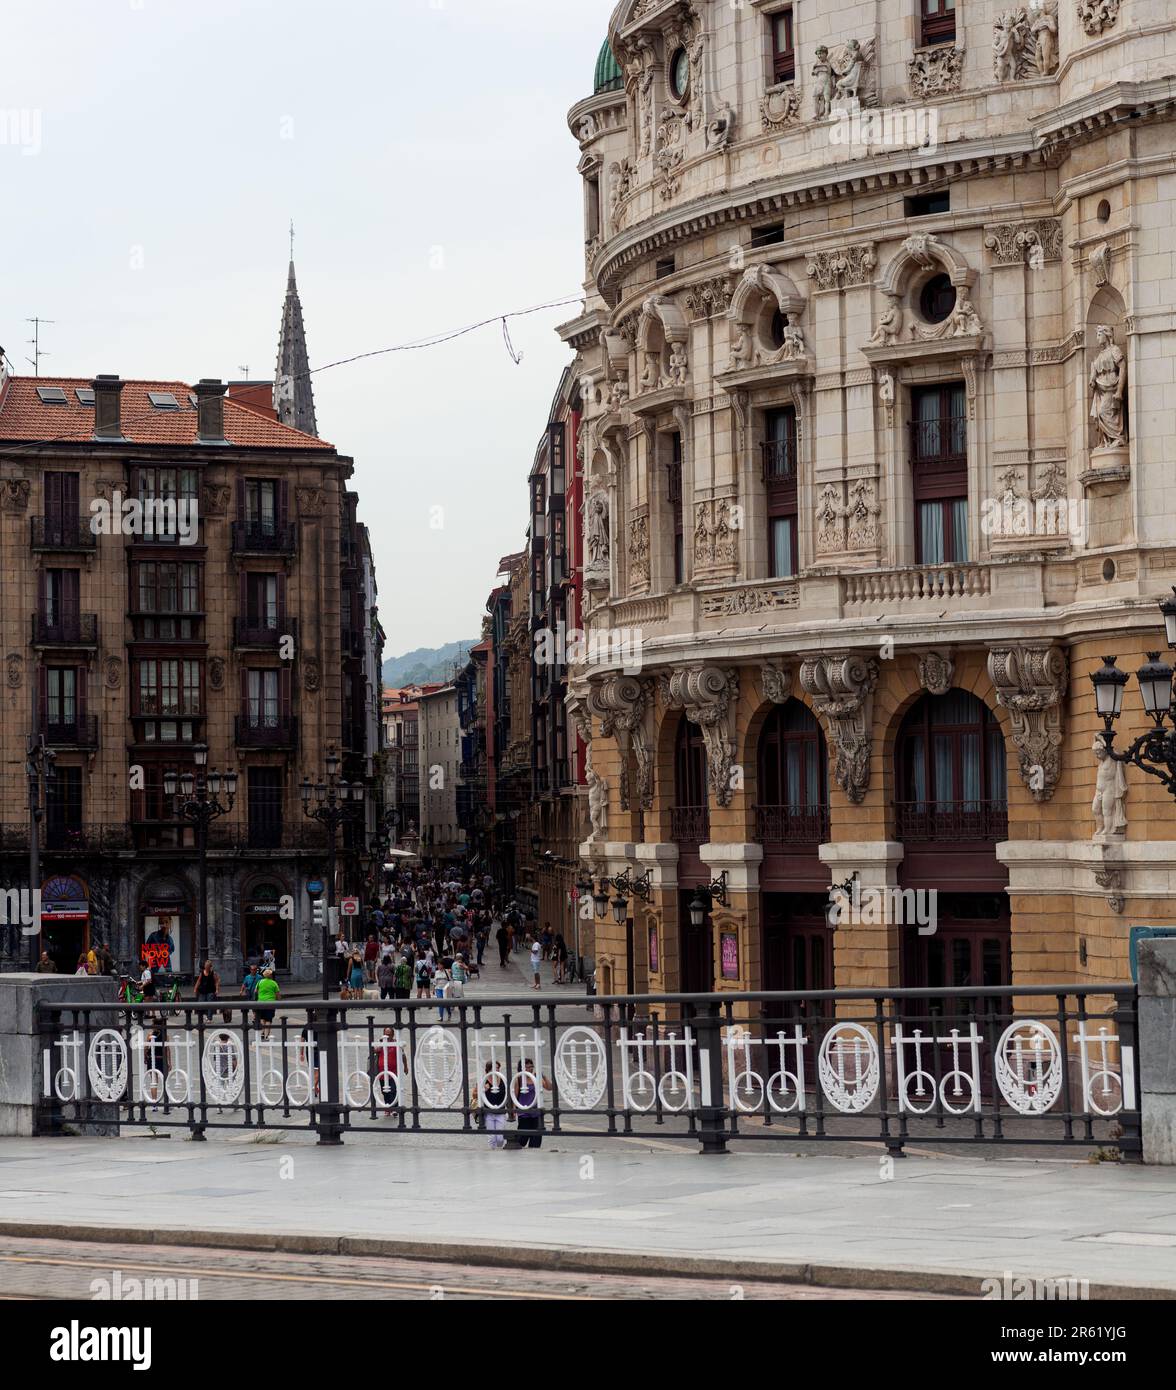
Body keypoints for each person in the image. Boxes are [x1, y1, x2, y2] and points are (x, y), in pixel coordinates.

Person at [513, 1058, 552, 1149]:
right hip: (524, 1113)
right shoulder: (518, 1079)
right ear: (522, 1068)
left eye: (531, 1066)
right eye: (527, 1067)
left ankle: (534, 1154)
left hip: (536, 1113)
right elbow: (514, 1096)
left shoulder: (536, 1078)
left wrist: (544, 1076)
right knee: (523, 1138)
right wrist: (513, 1111)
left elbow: (549, 1088)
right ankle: (513, 1144)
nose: (530, 1069)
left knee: (537, 1138)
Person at [473, 1061, 508, 1150]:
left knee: (500, 1138)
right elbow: (474, 1094)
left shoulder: (502, 1079)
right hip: (488, 1112)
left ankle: (499, 1152)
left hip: (501, 1111)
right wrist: (483, 1089)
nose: (497, 1070)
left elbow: (508, 1094)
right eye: (494, 1068)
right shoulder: (483, 1080)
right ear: (488, 1069)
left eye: (498, 1068)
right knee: (492, 1137)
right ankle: (492, 1154)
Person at [372, 1026, 400, 1116]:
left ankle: (395, 1108)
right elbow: (374, 1050)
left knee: (393, 1090)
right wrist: (381, 1044)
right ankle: (387, 1108)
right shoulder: (381, 1044)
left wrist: (406, 1066)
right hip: (382, 1072)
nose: (387, 1036)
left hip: (393, 1072)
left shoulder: (396, 1043)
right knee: (384, 1091)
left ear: (393, 1035)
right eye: (386, 1034)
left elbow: (402, 1055)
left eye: (389, 1034)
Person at [254, 968, 280, 1041]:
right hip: (270, 1003)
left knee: (262, 1019)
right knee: (268, 1019)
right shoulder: (273, 983)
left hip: (260, 1003)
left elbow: (255, 991)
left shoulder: (259, 982)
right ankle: (267, 1035)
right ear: (271, 975)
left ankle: (262, 1032)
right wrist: (278, 1000)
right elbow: (278, 994)